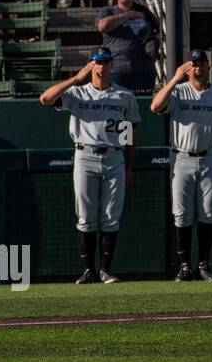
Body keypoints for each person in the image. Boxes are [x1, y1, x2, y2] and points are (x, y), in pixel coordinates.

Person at [39, 47, 139, 285]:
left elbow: (130, 133)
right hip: (85, 155)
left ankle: (105, 270)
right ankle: (88, 271)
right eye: (97, 62)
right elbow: (45, 98)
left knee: (110, 217)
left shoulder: (124, 95)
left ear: (111, 65)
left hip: (115, 155)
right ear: (91, 65)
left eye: (105, 62)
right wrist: (75, 77)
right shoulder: (77, 92)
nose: (101, 67)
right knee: (85, 216)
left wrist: (128, 167)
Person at [150, 50, 212, 282]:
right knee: (182, 215)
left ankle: (203, 264)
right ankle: (185, 266)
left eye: (201, 64)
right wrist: (174, 78)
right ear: (188, 68)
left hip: (210, 157)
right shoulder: (178, 92)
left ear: (209, 66)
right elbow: (155, 106)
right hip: (182, 158)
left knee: (209, 212)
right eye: (193, 64)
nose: (198, 68)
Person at [94, 0, 160, 93]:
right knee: (117, 106)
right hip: (117, 70)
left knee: (142, 106)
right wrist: (127, 15)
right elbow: (102, 26)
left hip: (144, 70)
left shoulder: (144, 12)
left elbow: (155, 30)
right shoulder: (108, 11)